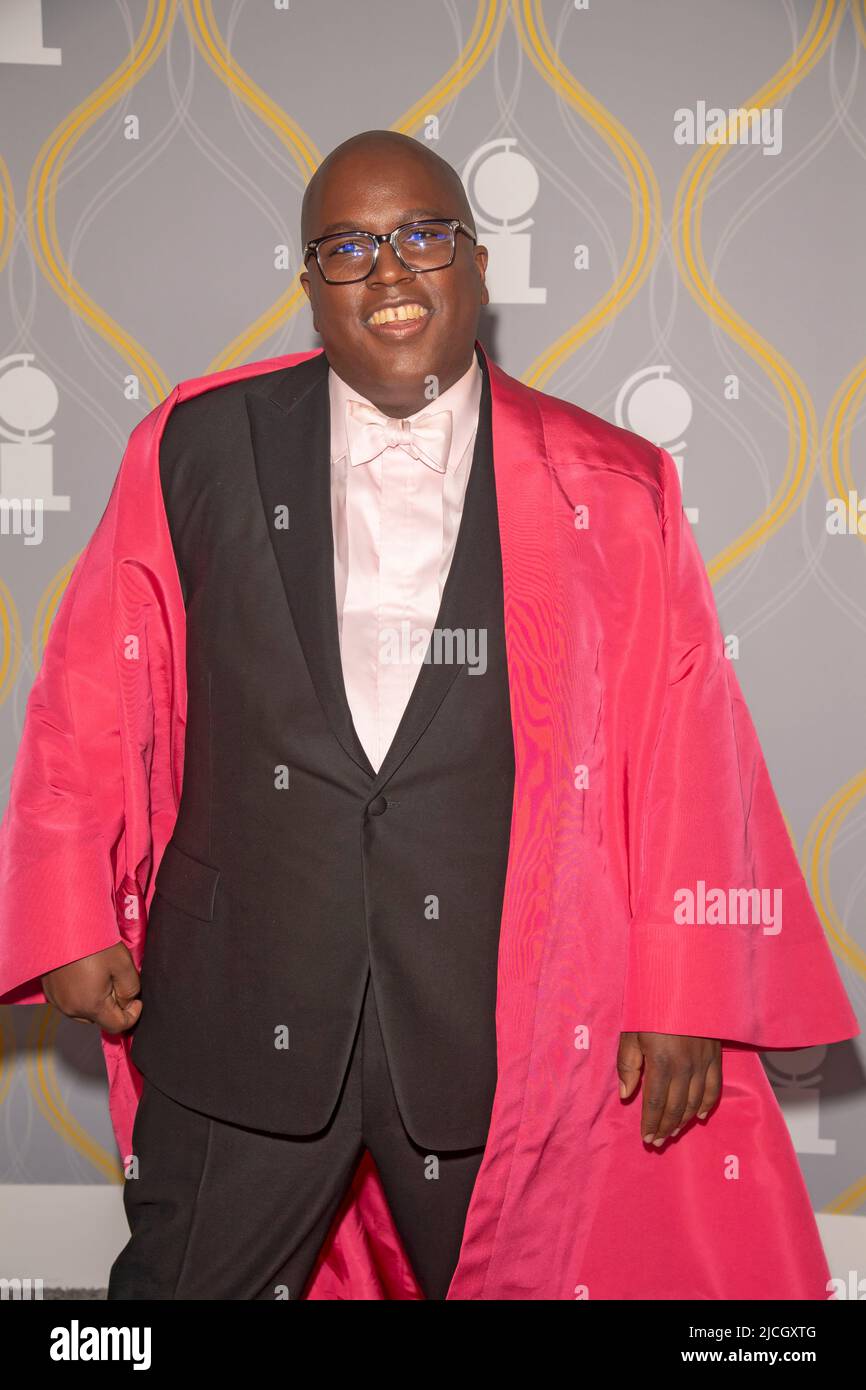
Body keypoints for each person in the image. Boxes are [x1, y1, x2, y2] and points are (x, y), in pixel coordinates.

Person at [0, 131, 857, 1301]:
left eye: (422, 235)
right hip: (237, 1008)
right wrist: (66, 914)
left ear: (478, 262)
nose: (390, 271)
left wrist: (684, 989)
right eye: (348, 246)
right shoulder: (196, 444)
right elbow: (95, 688)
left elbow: (684, 748)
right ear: (308, 283)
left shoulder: (606, 481)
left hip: (496, 1040)